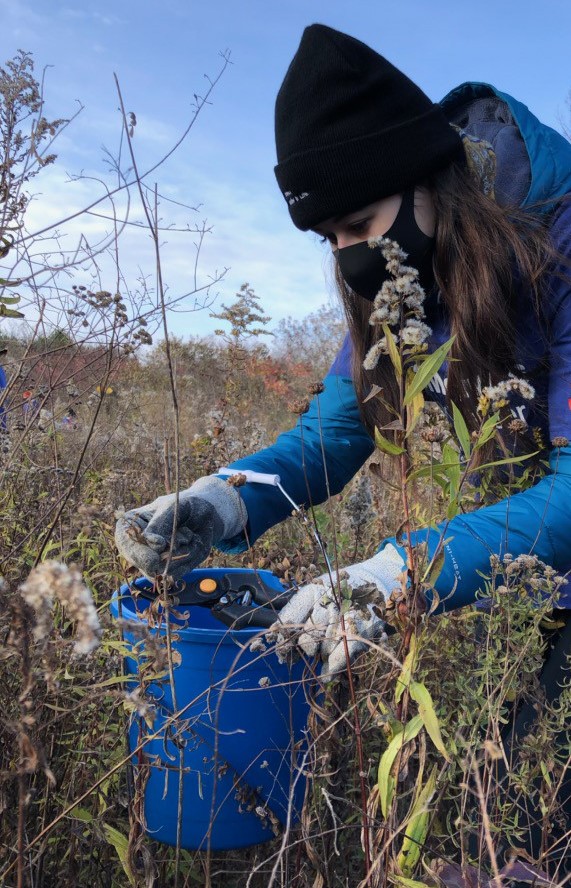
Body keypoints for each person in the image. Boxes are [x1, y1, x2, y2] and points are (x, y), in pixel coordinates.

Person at [115, 24, 571, 871]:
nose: (347, 258)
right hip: (544, 557)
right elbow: (336, 428)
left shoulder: (557, 239)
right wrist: (225, 497)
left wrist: (395, 574)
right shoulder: (410, 278)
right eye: (326, 238)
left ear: (426, 182)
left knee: (525, 824)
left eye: (356, 223)